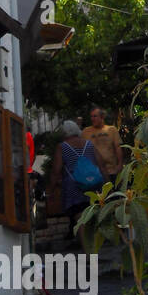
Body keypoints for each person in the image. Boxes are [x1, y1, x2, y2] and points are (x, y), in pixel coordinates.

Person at [49, 120, 100, 248]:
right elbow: (100, 164)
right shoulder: (89, 144)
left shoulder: (63, 147)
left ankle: (89, 254)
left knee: (80, 218)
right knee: (90, 217)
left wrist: (51, 189)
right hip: (92, 185)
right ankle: (93, 249)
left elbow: (56, 169)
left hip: (74, 187)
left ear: (64, 132)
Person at [82, 105, 123, 179]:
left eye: (95, 116)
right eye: (91, 116)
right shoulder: (86, 131)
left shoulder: (112, 130)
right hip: (93, 173)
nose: (92, 119)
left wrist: (120, 165)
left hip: (111, 171)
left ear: (102, 117)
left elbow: (117, 148)